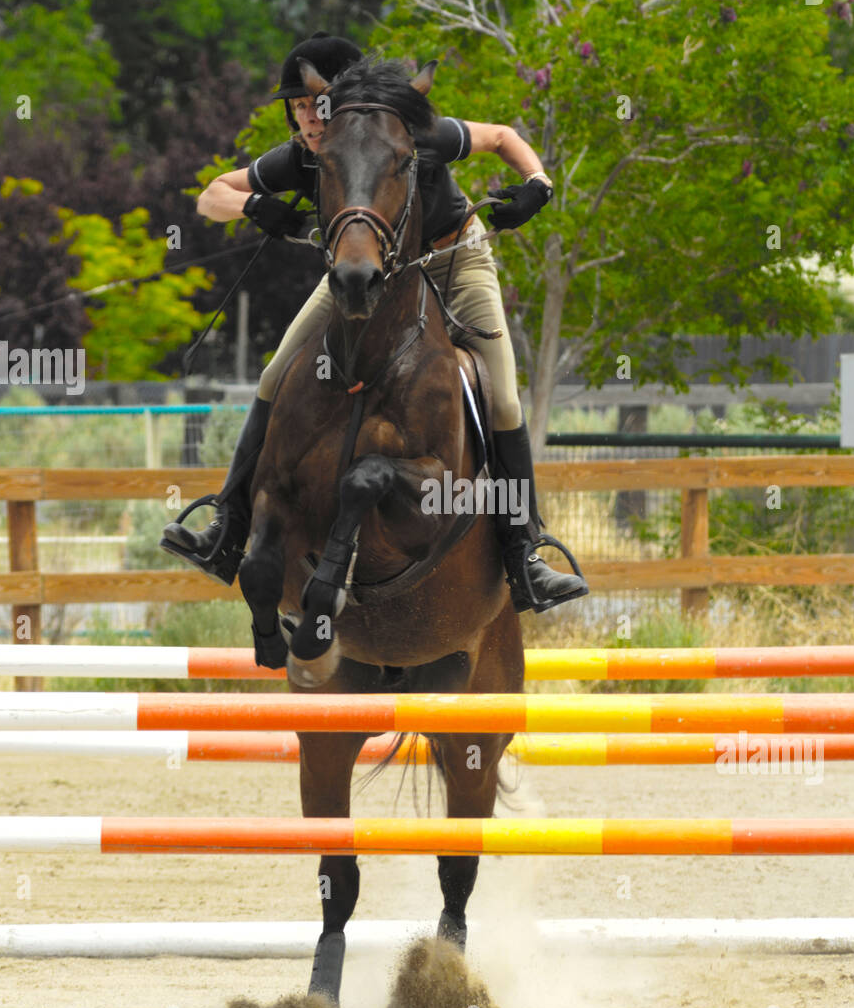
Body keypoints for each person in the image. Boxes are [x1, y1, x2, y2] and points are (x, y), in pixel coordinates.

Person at [161, 33, 587, 613]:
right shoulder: (313, 153)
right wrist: (253, 205)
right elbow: (210, 197)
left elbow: (502, 137)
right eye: (299, 108)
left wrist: (538, 183)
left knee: (504, 398)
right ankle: (228, 529)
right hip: (363, 273)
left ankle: (524, 551)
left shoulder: (413, 132)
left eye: (318, 106)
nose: (308, 119)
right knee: (273, 373)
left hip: (454, 260)